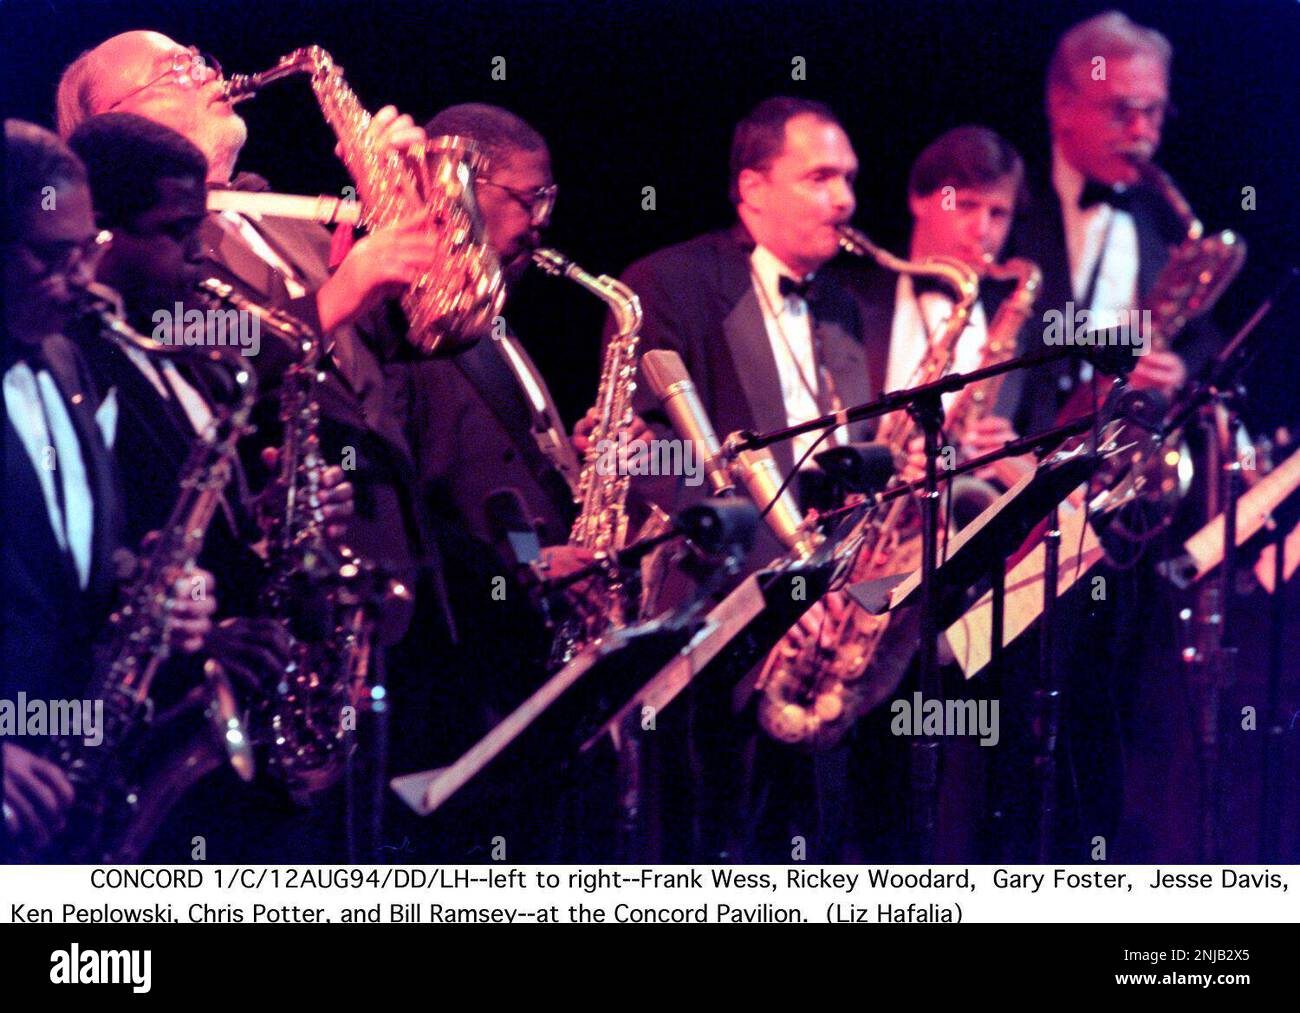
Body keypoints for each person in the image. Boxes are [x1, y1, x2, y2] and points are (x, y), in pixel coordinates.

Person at [614, 97, 878, 861]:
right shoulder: (667, 281)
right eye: (822, 177)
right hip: (716, 620)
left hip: (822, 626)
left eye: (850, 179)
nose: (846, 201)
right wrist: (774, 580)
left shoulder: (845, 302)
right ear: (753, 189)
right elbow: (642, 452)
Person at [2, 120, 215, 857]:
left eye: (85, 249)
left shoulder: (66, 358)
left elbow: (74, 559)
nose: (81, 277)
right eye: (51, 255)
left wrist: (148, 587)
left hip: (71, 779)